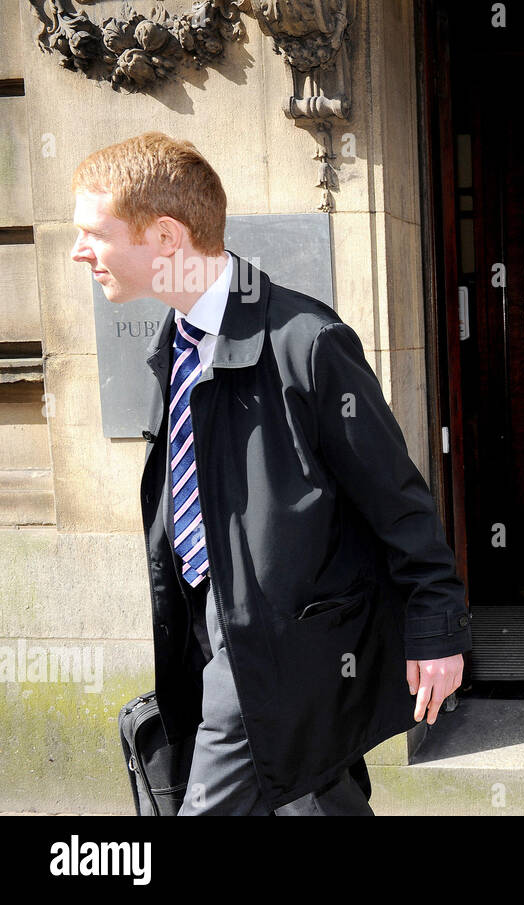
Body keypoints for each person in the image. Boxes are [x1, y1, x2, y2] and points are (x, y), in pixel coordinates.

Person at [70, 132, 470, 815]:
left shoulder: (308, 343)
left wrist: (437, 629)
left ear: (164, 235)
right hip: (214, 643)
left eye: (94, 233)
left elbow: (398, 501)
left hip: (285, 655)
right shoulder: (177, 342)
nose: (80, 250)